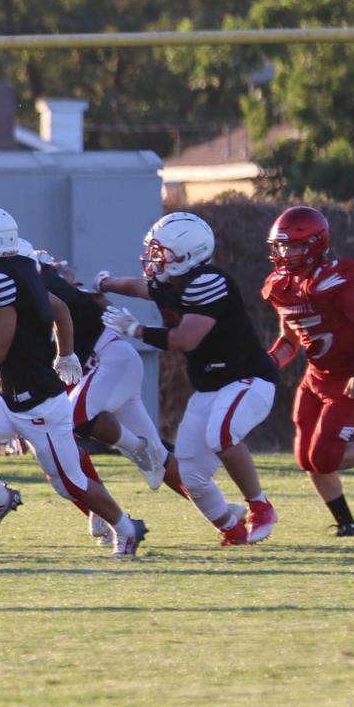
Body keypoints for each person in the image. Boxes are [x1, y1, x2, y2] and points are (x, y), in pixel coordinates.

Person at [0, 207, 147, 554]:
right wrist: (65, 353)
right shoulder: (22, 266)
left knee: (70, 483)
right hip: (10, 398)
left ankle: (126, 527)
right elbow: (60, 309)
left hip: (40, 407)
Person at [97, 210, 279, 546]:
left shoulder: (209, 282)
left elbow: (184, 339)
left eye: (160, 253)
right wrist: (104, 283)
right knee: (192, 477)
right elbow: (140, 287)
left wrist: (136, 329)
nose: (154, 259)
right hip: (210, 386)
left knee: (221, 434)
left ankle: (260, 505)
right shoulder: (175, 281)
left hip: (247, 380)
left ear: (187, 255)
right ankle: (232, 530)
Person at [260, 206, 354, 535]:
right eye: (280, 246)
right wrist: (267, 363)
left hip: (348, 379)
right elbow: (290, 339)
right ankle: (347, 524)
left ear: (315, 245)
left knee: (324, 457)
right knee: (305, 458)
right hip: (316, 377)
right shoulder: (281, 285)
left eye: (292, 246)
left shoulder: (336, 282)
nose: (284, 253)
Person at [34, 249, 169, 547]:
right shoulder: (49, 290)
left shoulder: (49, 286)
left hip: (112, 360)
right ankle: (225, 517)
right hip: (111, 364)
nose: (66, 270)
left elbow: (87, 302)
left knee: (67, 423)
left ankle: (135, 452)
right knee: (158, 457)